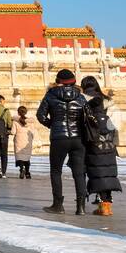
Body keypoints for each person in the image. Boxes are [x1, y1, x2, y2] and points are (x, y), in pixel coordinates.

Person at [36, 69, 88, 215]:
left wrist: (51, 124)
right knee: (79, 172)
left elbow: (40, 115)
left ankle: (58, 205)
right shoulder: (81, 97)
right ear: (73, 81)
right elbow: (86, 117)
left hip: (59, 138)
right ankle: (81, 207)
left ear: (58, 81)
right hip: (78, 138)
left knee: (56, 171)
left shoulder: (51, 95)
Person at [81, 77, 122, 217]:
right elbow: (115, 123)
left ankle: (101, 205)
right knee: (108, 171)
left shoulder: (82, 99)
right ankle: (107, 205)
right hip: (108, 141)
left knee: (96, 172)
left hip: (92, 139)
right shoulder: (106, 99)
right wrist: (114, 143)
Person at [12, 105, 35, 179]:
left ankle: (22, 169)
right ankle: (27, 173)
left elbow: (13, 132)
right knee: (27, 158)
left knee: (20, 157)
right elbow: (32, 132)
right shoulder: (30, 122)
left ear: (18, 113)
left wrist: (8, 131)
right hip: (27, 142)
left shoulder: (15, 122)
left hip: (18, 141)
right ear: (26, 112)